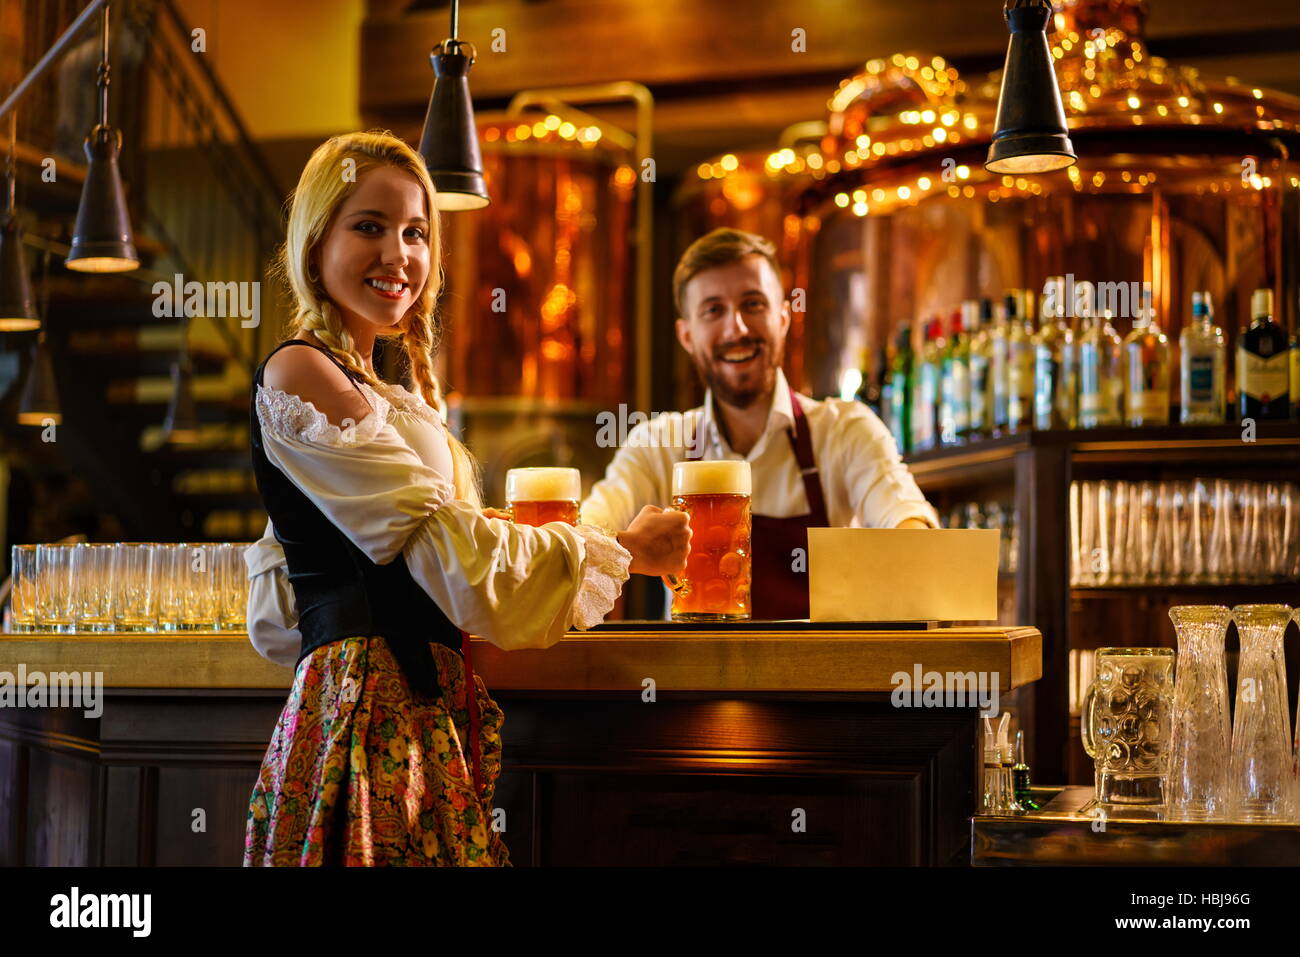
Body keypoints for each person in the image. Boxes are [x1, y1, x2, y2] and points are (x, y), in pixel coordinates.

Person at [243, 130, 689, 866]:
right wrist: (623, 551)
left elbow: (280, 603)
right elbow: (462, 567)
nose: (399, 255)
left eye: (416, 232)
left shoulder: (367, 391)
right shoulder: (301, 372)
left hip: (405, 708)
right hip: (370, 720)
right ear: (314, 240)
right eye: (369, 227)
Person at [581, 227, 939, 620]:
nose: (737, 328)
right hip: (696, 680)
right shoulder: (657, 442)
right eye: (713, 310)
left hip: (821, 678)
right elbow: (590, 530)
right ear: (686, 335)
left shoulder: (845, 431)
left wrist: (911, 546)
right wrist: (616, 546)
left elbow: (906, 519)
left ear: (783, 317)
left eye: (753, 304)